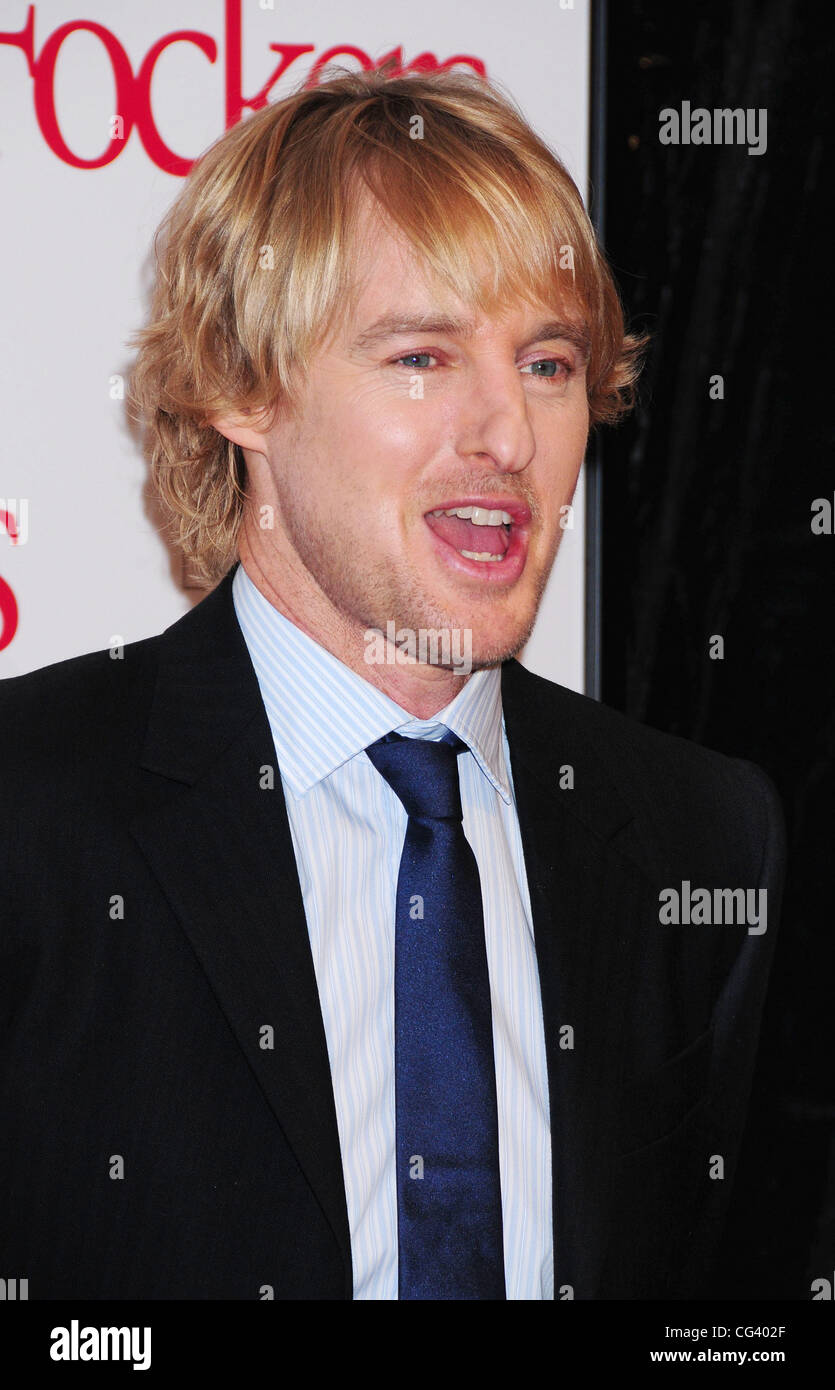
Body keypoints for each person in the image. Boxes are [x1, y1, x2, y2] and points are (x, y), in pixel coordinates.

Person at [0, 67, 785, 1301]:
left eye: (548, 363)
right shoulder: (31, 811)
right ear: (245, 388)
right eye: (422, 355)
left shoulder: (702, 835)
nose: (508, 437)